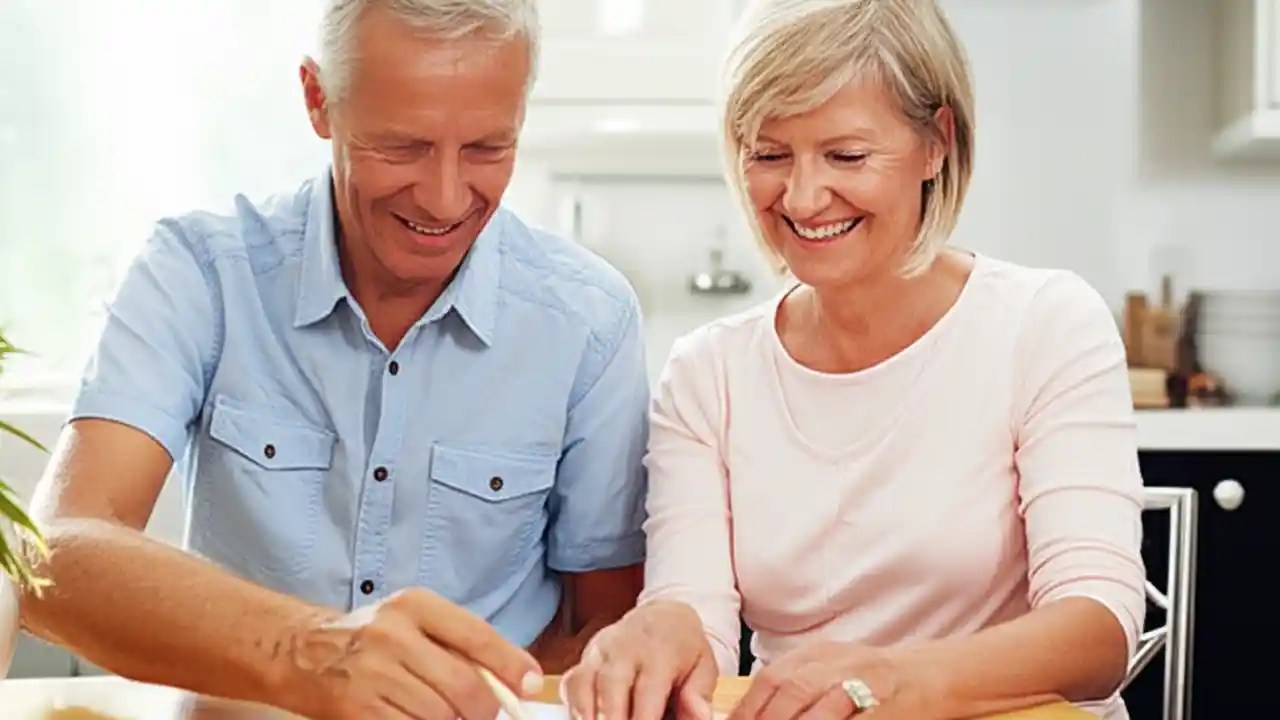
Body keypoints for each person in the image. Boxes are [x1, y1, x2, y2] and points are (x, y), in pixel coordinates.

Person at [18, 2, 650, 719]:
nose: (445, 198)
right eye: (402, 147)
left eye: (486, 148)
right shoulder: (200, 273)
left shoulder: (591, 319)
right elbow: (52, 560)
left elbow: (608, 628)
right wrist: (310, 653)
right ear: (319, 99)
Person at [562, 1, 1147, 719]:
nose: (804, 197)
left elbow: (1100, 630)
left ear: (937, 143)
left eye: (846, 155)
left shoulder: (1045, 324)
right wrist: (663, 632)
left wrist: (898, 681)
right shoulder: (707, 372)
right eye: (770, 154)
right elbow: (699, 622)